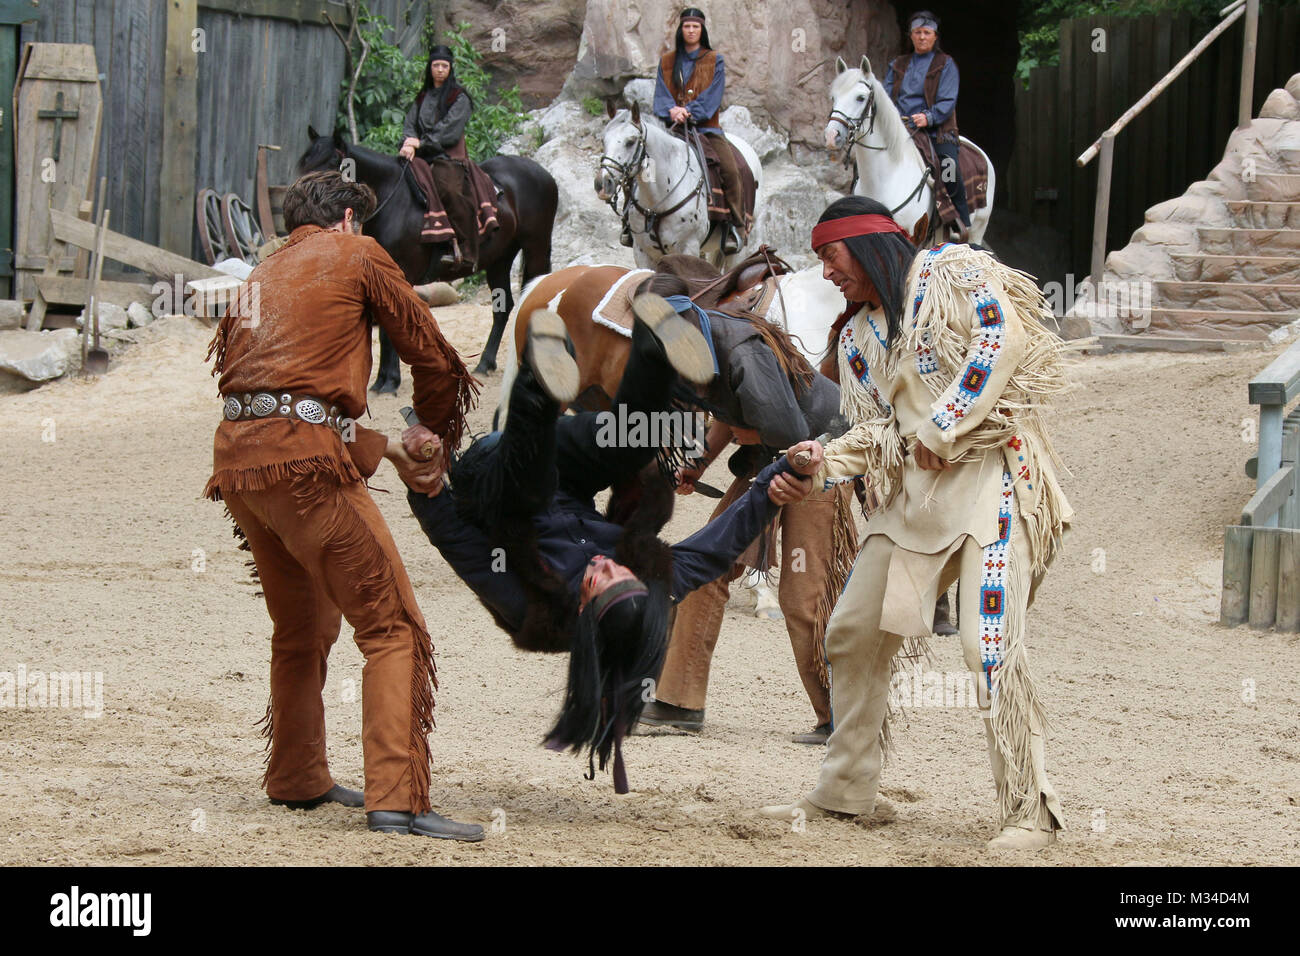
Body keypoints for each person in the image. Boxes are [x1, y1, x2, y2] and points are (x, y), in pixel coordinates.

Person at [404, 294, 821, 788]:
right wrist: (780, 474)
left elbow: (460, 545)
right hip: (568, 469)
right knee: (632, 446)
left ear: (583, 611)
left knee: (529, 482)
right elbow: (720, 544)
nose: (605, 564)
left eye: (600, 579)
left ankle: (541, 377)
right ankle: (653, 347)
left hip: (495, 478)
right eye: (620, 571)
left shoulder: (530, 609)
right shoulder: (653, 582)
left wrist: (426, 489)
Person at [759, 196, 1072, 850]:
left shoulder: (950, 270)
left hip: (993, 484)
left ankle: (1031, 813)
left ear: (870, 245)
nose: (825, 273)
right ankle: (846, 789)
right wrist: (821, 461)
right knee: (856, 631)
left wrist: (947, 419)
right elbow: (880, 433)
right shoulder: (854, 340)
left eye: (831, 255)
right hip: (916, 507)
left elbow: (1001, 335)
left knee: (985, 647)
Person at [204, 170, 483, 841]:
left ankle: (297, 776)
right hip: (305, 465)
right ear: (352, 221)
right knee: (394, 629)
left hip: (241, 468)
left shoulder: (264, 271)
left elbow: (280, 397)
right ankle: (399, 799)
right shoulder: (357, 255)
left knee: (302, 629)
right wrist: (435, 439)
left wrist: (387, 446)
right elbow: (437, 362)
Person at [626, 273, 855, 744]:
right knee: (699, 568)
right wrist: (699, 463)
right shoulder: (690, 343)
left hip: (819, 456)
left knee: (804, 593)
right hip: (768, 460)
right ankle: (678, 702)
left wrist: (751, 435)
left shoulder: (743, 348)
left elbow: (790, 433)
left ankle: (842, 715)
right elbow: (731, 415)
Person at [652, 7, 746, 254]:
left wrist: (689, 111)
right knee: (644, 166)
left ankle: (735, 226)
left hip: (706, 128)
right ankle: (633, 225)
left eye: (695, 26)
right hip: (672, 128)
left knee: (732, 170)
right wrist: (671, 110)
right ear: (681, 30)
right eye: (686, 26)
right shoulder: (667, 61)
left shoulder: (715, 59)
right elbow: (660, 93)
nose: (691, 30)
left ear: (702, 30)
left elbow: (713, 95)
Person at [399, 45, 499, 271]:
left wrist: (421, 143)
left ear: (450, 68)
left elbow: (449, 131)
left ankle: (467, 251)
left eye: (444, 66)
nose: (440, 70)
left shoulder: (459, 97)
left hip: (447, 157)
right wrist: (409, 142)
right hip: (422, 155)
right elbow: (409, 125)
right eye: (436, 65)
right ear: (430, 67)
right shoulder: (422, 96)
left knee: (449, 191)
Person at [884, 10, 972, 242]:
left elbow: (947, 100)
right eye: (917, 32)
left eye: (927, 33)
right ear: (910, 36)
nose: (922, 37)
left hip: (937, 130)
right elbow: (885, 98)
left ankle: (961, 223)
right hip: (901, 128)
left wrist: (929, 117)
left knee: (949, 167)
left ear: (935, 36)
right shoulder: (897, 65)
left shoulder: (946, 64)